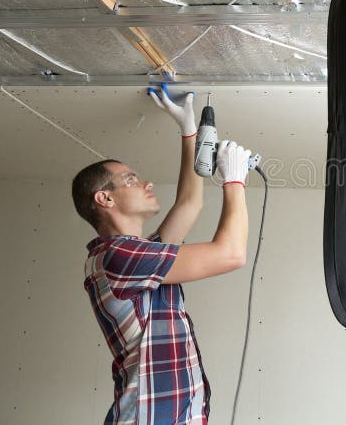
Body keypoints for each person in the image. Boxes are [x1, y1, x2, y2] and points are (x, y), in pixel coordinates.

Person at [71, 85, 252, 425]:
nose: (146, 183)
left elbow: (189, 203)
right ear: (104, 199)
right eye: (131, 179)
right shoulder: (120, 258)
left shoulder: (131, 257)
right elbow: (231, 255)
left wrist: (189, 132)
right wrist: (235, 182)